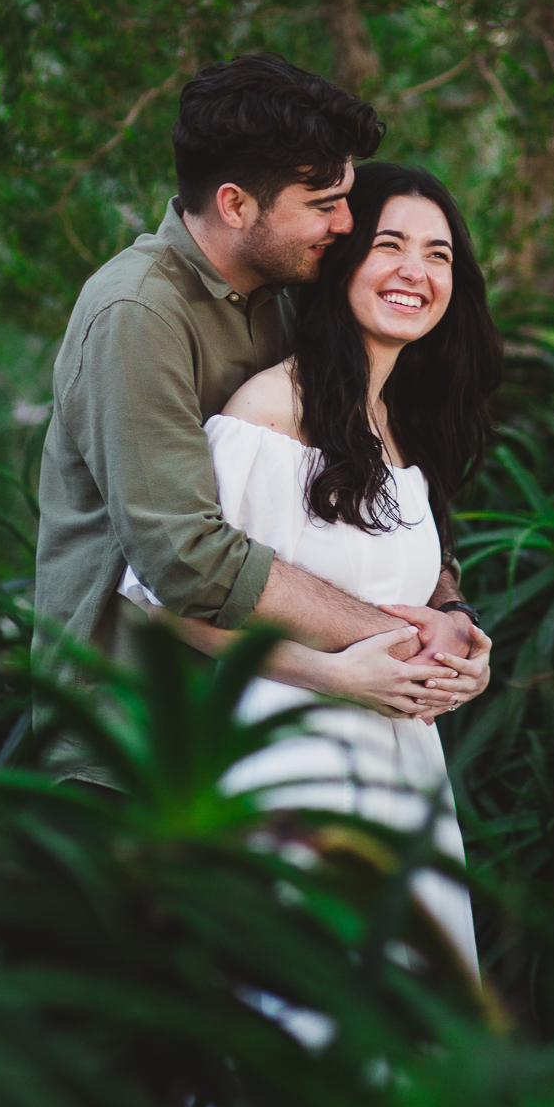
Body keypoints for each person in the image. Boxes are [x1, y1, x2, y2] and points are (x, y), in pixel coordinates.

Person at [35, 56, 490, 790]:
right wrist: (409, 641)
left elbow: (357, 497)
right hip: (130, 754)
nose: (346, 223)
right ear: (236, 205)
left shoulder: (289, 302)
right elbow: (185, 559)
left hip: (266, 744)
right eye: (322, 203)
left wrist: (450, 608)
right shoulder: (138, 313)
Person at [121, 161, 502, 974]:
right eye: (390, 245)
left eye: (437, 255)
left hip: (402, 764)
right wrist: (336, 678)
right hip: (288, 759)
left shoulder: (404, 422)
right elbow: (163, 598)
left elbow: (407, 578)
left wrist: (462, 634)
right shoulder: (268, 414)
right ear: (343, 260)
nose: (415, 272)